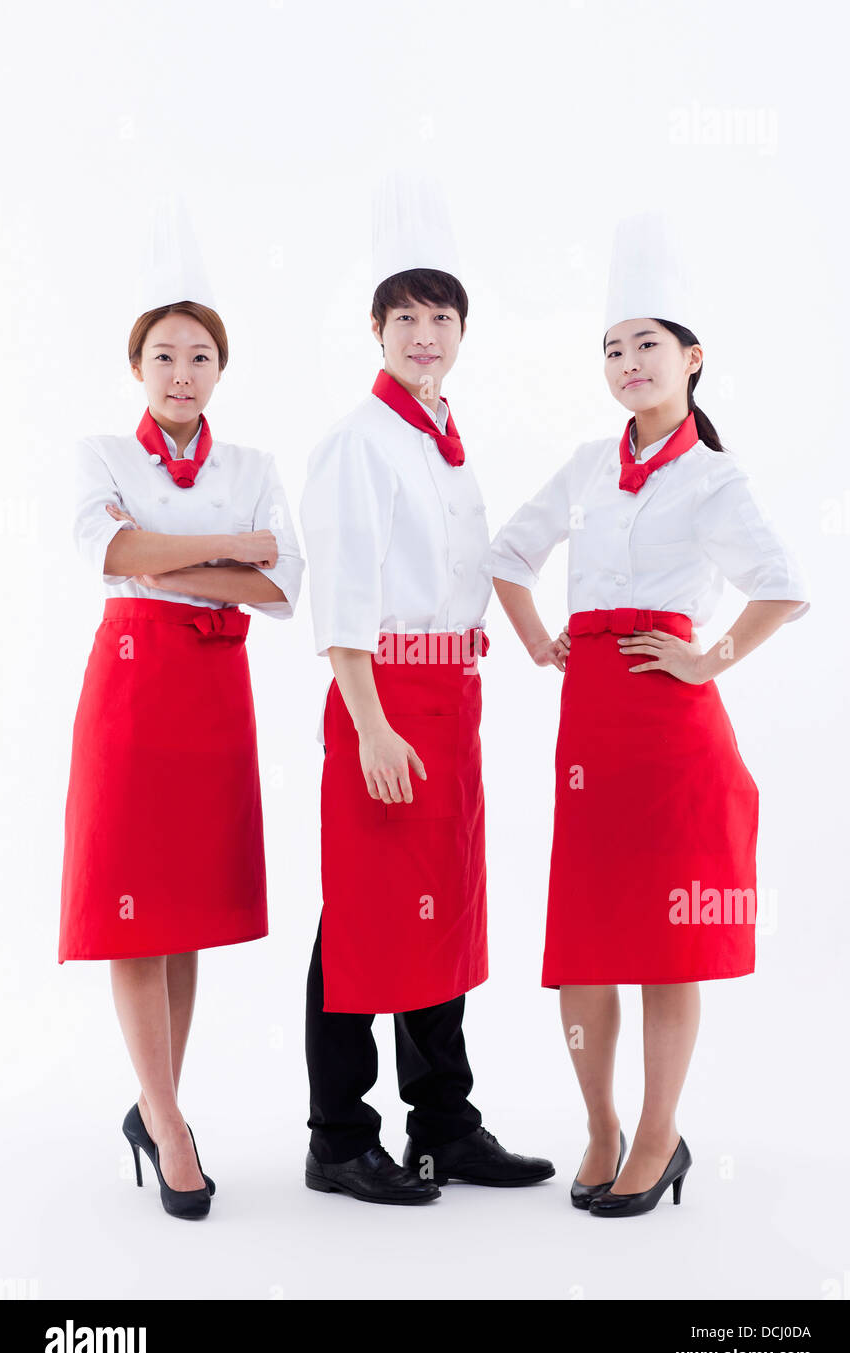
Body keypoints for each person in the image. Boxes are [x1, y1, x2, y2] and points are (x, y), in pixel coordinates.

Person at [486, 211, 810, 1217]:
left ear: (691, 357)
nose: (627, 363)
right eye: (612, 348)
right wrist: (541, 639)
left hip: (671, 731)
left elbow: (780, 584)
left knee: (665, 942)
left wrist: (708, 656)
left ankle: (659, 1130)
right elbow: (505, 552)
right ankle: (597, 1123)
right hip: (587, 724)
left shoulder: (713, 475)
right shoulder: (587, 465)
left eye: (647, 345)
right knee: (583, 939)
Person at [298, 171, 554, 1205]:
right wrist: (369, 726)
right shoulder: (358, 443)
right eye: (405, 317)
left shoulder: (444, 441)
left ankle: (442, 1126)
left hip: (454, 704)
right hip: (386, 703)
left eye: (440, 316)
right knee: (360, 920)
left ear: (459, 330)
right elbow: (344, 600)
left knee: (439, 913)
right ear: (376, 328)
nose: (424, 334)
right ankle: (336, 1137)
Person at [58, 195, 304, 1220]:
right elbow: (107, 554)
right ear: (137, 367)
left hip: (210, 701)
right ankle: (167, 1125)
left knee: (184, 913)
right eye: (163, 354)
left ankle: (158, 1105)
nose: (180, 372)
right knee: (128, 920)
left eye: (198, 355)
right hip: (127, 692)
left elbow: (285, 584)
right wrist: (223, 552)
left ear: (219, 368)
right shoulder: (100, 455)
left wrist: (186, 556)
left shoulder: (252, 467)